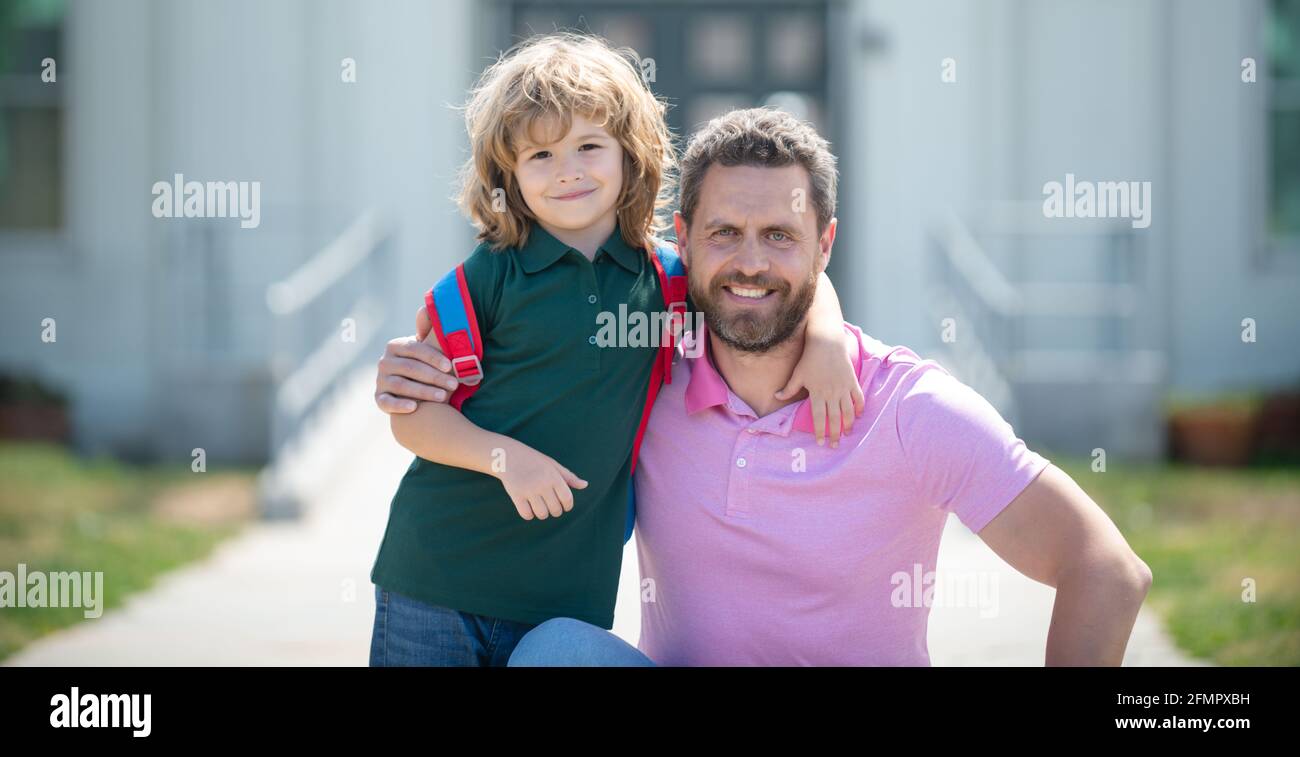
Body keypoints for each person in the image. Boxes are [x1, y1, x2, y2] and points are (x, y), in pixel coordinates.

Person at [368, 36, 861, 667]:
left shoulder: (668, 281)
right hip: (434, 579)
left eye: (589, 146)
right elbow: (413, 413)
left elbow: (774, 284)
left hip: (563, 602)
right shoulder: (485, 279)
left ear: (631, 155)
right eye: (541, 154)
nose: (568, 169)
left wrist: (824, 342)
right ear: (508, 174)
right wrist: (504, 458)